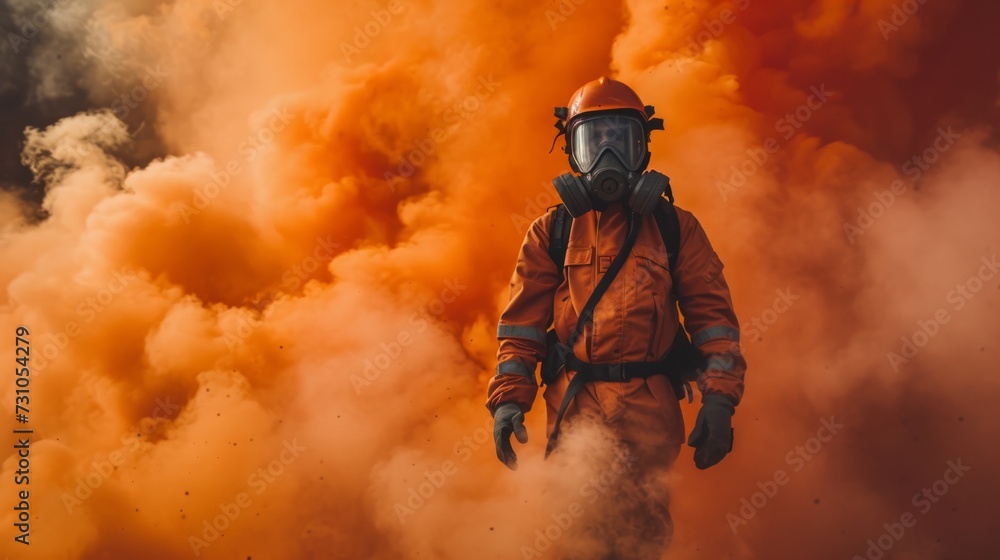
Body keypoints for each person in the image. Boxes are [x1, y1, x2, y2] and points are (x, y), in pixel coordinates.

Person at [485, 76, 747, 557]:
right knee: (573, 537)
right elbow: (521, 331)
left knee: (640, 537)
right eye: (593, 141)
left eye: (621, 141)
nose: (608, 159)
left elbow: (715, 326)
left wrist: (720, 402)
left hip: (649, 415)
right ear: (572, 152)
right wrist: (509, 400)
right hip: (575, 411)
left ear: (644, 149)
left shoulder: (674, 228)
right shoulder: (553, 230)